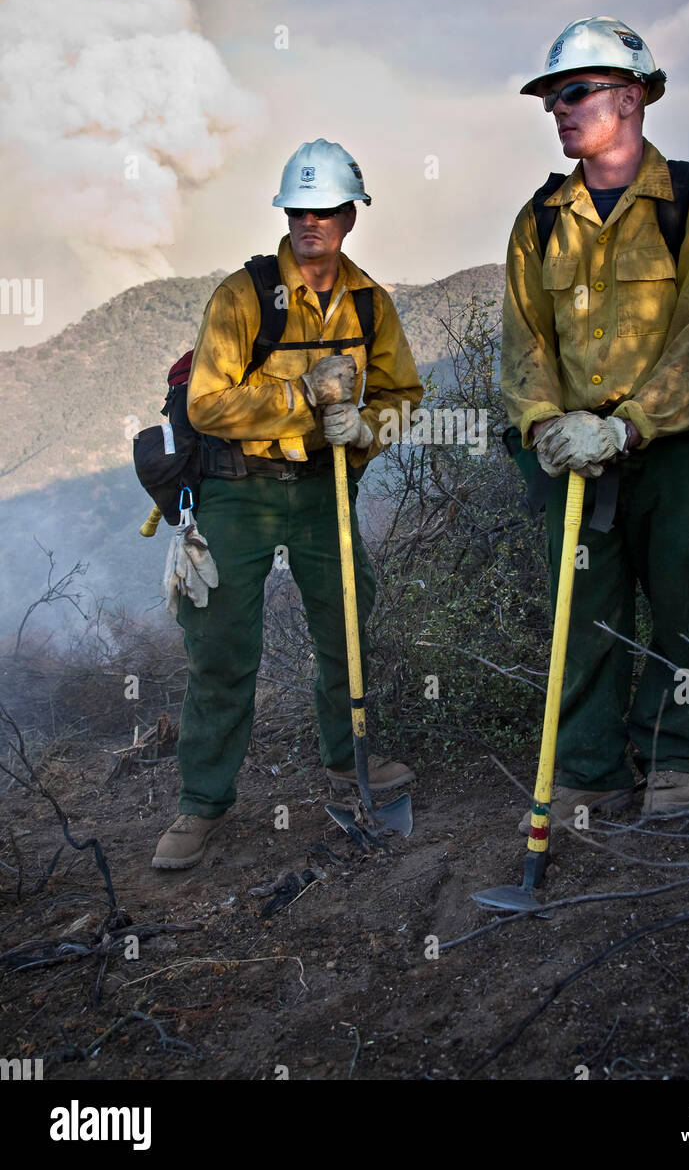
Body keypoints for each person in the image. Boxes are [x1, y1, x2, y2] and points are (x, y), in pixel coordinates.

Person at [500, 16, 689, 828]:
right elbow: (526, 340)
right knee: (583, 613)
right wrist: (546, 426)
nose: (557, 110)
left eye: (573, 92)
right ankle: (592, 768)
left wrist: (631, 424)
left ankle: (671, 752)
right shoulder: (538, 218)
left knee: (682, 602)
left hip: (678, 451)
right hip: (574, 456)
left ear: (633, 95)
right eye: (550, 99)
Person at [153, 139, 423, 869]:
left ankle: (348, 759)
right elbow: (208, 404)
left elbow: (405, 397)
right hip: (237, 491)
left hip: (320, 490)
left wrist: (367, 429)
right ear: (286, 212)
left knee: (346, 626)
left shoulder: (369, 302)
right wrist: (302, 398)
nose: (312, 223)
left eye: (326, 210)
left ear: (349, 216)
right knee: (219, 645)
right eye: (299, 210)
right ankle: (201, 803)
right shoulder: (243, 296)